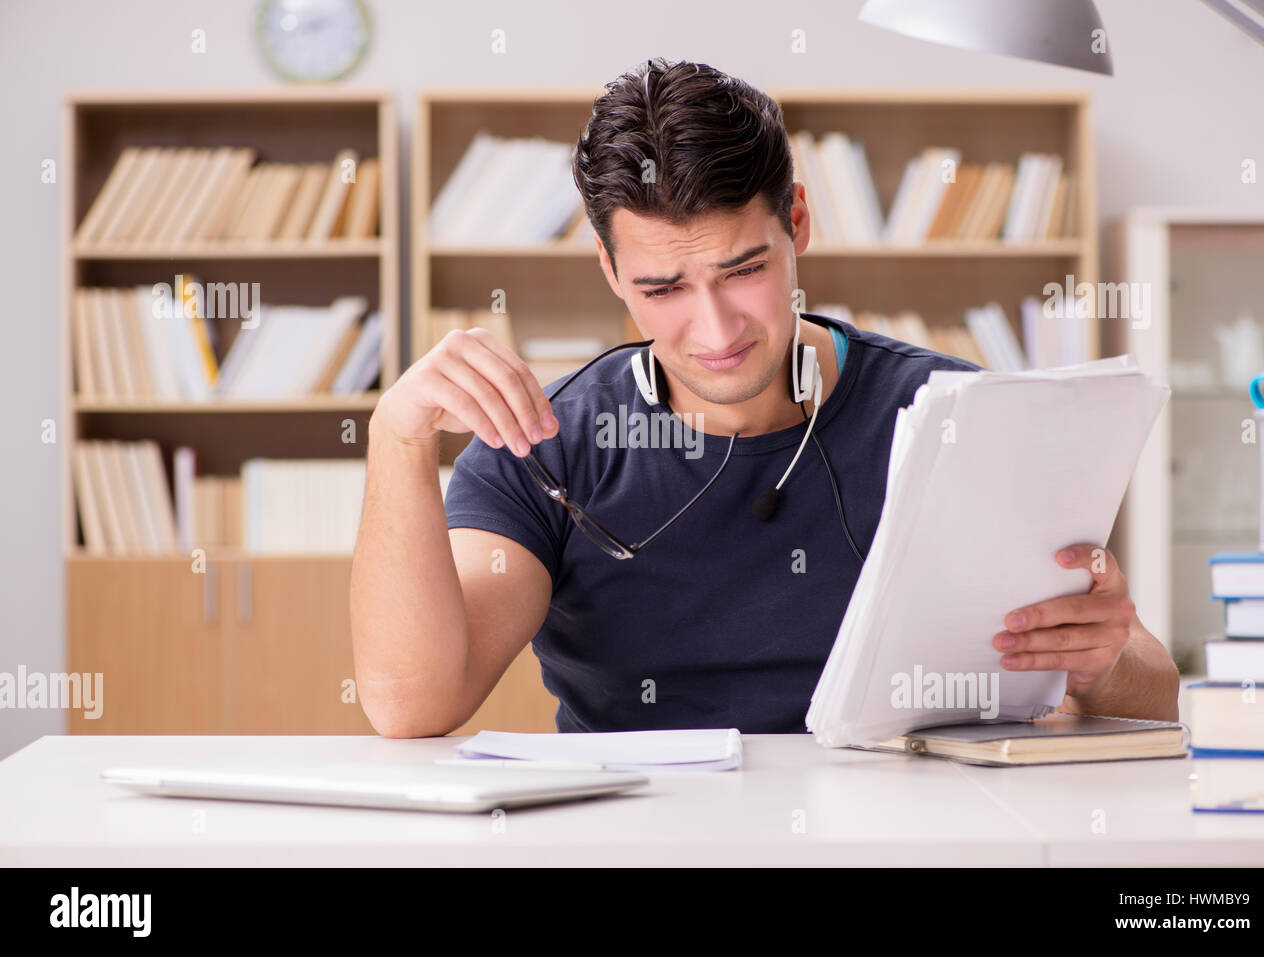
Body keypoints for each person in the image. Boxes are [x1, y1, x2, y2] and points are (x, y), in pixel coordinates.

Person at [350, 57, 1179, 736]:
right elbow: (412, 704)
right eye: (663, 286)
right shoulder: (546, 440)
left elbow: (1155, 692)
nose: (715, 329)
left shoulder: (964, 415)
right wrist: (396, 437)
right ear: (611, 273)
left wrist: (1101, 661)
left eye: (743, 270)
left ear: (799, 224)